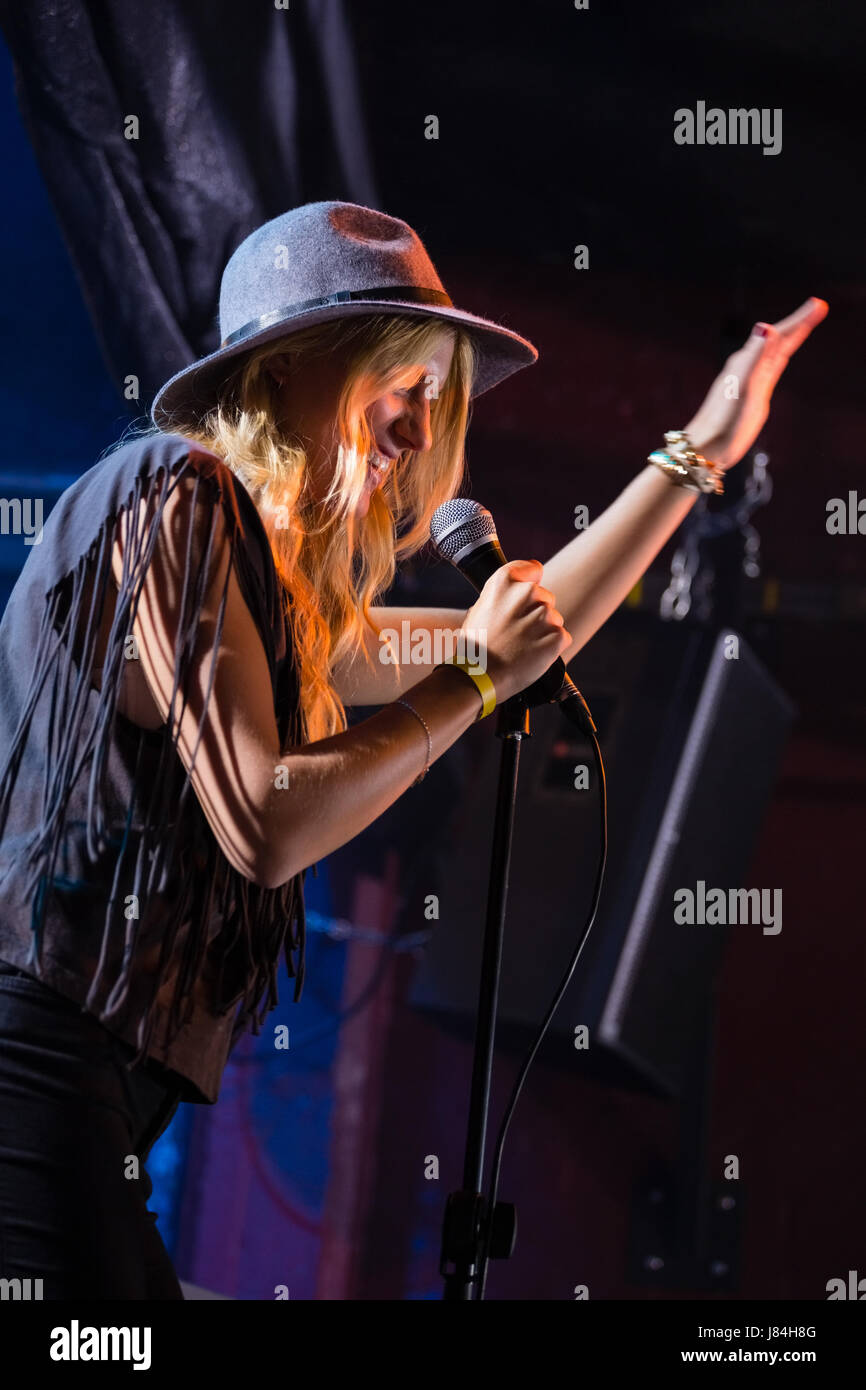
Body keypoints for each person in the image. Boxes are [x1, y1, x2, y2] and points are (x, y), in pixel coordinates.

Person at [0, 200, 827, 1299]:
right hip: (30, 1069)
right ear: (294, 367)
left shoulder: (274, 606)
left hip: (90, 1098)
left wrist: (693, 455)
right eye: (401, 381)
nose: (420, 429)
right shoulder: (174, 493)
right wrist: (470, 680)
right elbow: (267, 819)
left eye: (437, 400)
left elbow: (535, 637)